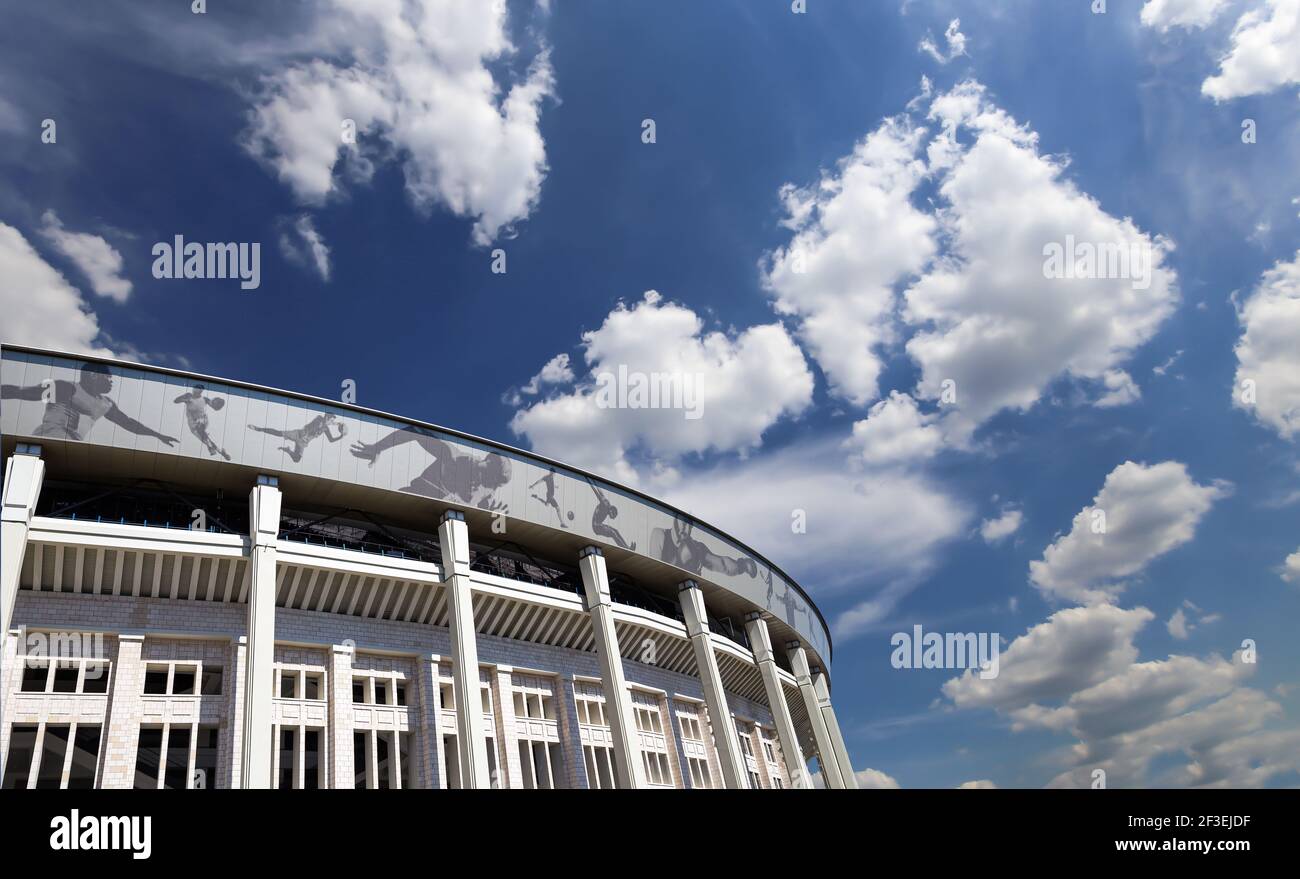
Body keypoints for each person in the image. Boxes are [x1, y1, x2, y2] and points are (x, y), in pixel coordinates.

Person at [1, 362, 178, 446]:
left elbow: (129, 423)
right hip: (48, 440)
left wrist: (158, 435)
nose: (111, 381)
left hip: (73, 445)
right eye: (108, 377)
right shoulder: (65, 388)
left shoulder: (106, 403)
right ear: (93, 375)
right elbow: (23, 392)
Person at [350, 428, 511, 511]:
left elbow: (486, 506)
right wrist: (378, 447)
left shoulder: (489, 489)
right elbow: (416, 431)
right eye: (481, 476)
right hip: (411, 505)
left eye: (489, 483)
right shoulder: (453, 457)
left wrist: (491, 515)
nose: (478, 483)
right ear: (482, 463)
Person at [650, 517, 757, 578]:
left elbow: (721, 563)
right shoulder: (659, 535)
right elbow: (654, 572)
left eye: (690, 527)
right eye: (684, 524)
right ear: (675, 520)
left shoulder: (697, 548)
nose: (687, 531)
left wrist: (741, 566)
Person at [248, 412, 346, 463]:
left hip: (303, 443)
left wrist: (341, 436)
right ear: (327, 417)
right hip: (298, 434)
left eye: (332, 420)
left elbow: (331, 440)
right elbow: (318, 425)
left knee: (297, 459)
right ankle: (258, 429)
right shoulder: (319, 418)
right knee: (279, 433)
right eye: (331, 419)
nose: (331, 422)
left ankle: (288, 450)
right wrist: (336, 423)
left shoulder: (326, 428)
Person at [173, 384, 230, 460]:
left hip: (203, 420)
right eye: (195, 389)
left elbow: (215, 407)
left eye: (199, 390)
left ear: (201, 391)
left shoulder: (204, 399)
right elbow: (176, 401)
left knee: (200, 426)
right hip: (192, 424)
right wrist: (184, 400)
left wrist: (218, 402)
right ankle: (221, 452)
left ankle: (210, 448)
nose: (196, 390)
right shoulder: (188, 395)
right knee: (207, 440)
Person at [589, 480, 635, 550]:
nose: (611, 518)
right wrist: (591, 482)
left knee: (616, 531)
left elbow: (601, 494)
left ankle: (627, 547)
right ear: (611, 511)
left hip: (599, 525)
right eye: (612, 516)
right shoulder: (605, 505)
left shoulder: (607, 504)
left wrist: (595, 482)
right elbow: (598, 495)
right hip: (596, 526)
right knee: (613, 533)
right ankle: (625, 547)